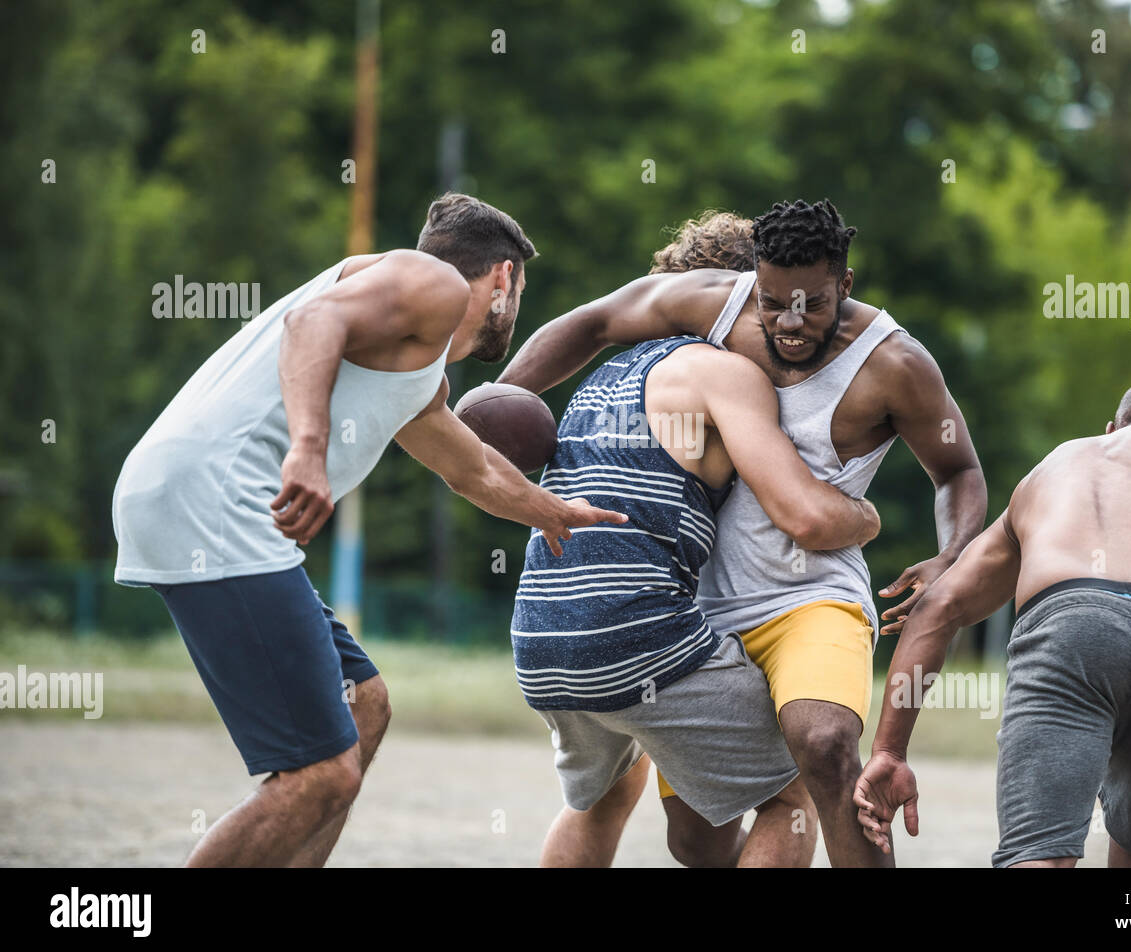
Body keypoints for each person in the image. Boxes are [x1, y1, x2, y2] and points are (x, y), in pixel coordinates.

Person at [111, 193, 624, 867]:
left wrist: (555, 511)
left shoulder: (413, 363)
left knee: (366, 706)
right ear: (503, 278)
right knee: (322, 771)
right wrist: (309, 445)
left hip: (195, 496)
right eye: (520, 290)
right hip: (213, 499)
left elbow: (471, 469)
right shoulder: (431, 283)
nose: (515, 305)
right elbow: (311, 321)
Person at [500, 200, 986, 866]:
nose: (788, 323)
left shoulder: (894, 363)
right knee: (696, 842)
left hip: (809, 597)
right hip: (701, 610)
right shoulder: (714, 309)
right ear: (750, 279)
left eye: (811, 305)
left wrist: (952, 555)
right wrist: (493, 415)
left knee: (822, 752)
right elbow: (592, 321)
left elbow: (958, 469)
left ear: (844, 286)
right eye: (771, 301)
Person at [854, 378, 1131, 867]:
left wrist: (889, 750)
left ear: (1110, 430)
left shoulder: (1047, 473)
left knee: (1037, 848)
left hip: (1073, 631)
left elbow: (938, 609)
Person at [513, 331, 880, 867]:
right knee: (794, 792)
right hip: (633, 639)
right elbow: (805, 516)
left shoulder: (599, 382)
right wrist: (865, 518)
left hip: (539, 639)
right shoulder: (722, 373)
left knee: (603, 794)